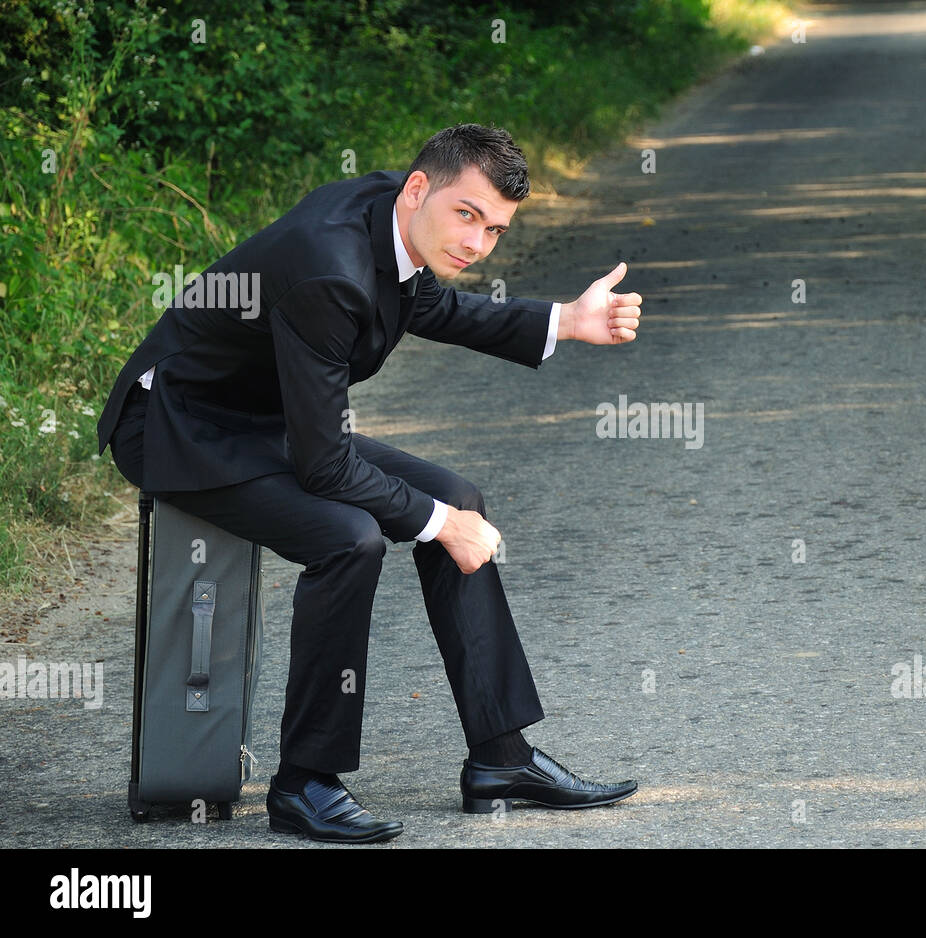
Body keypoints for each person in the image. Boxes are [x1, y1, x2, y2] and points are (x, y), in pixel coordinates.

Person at [96, 123, 643, 843]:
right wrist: (437, 523)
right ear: (420, 190)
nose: (477, 244)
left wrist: (563, 322)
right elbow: (326, 468)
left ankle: (501, 760)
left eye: (495, 230)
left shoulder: (396, 214)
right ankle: (305, 784)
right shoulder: (330, 269)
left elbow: (427, 305)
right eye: (467, 216)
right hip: (181, 426)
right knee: (348, 539)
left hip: (272, 416)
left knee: (459, 495)